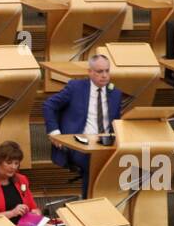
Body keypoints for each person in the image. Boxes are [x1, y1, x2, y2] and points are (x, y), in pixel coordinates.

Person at [44, 54, 122, 196]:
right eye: (100, 72)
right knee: (93, 162)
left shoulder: (115, 94)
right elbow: (49, 105)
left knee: (125, 160)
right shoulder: (75, 87)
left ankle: (110, 201)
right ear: (90, 72)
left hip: (105, 143)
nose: (104, 75)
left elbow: (116, 124)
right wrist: (54, 132)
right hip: (79, 143)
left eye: (107, 71)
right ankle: (90, 201)